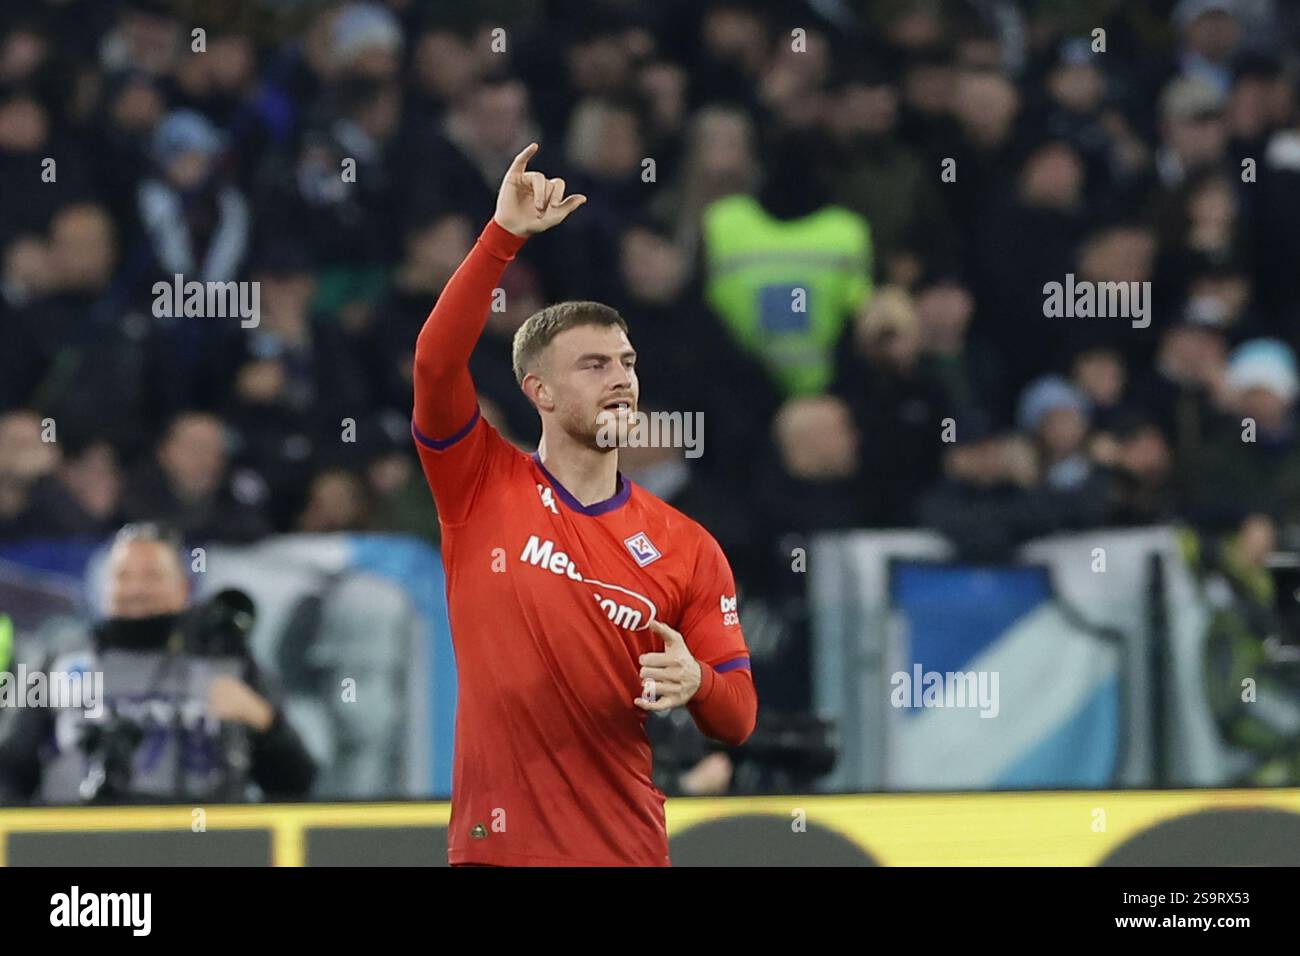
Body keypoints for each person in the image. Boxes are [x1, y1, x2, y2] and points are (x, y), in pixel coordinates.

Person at [412, 143, 757, 867]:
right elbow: (437, 364)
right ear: (539, 391)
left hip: (624, 851)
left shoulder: (686, 544)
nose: (621, 379)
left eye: (627, 363)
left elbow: (740, 716)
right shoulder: (479, 484)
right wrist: (501, 238)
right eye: (594, 365)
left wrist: (698, 683)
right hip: (493, 851)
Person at [0, 523, 316, 804]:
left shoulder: (230, 663)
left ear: (183, 588)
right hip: (80, 851)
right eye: (123, 576)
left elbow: (295, 782)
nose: (136, 589)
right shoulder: (56, 661)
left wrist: (262, 719)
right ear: (103, 588)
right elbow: (9, 772)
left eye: (152, 575)